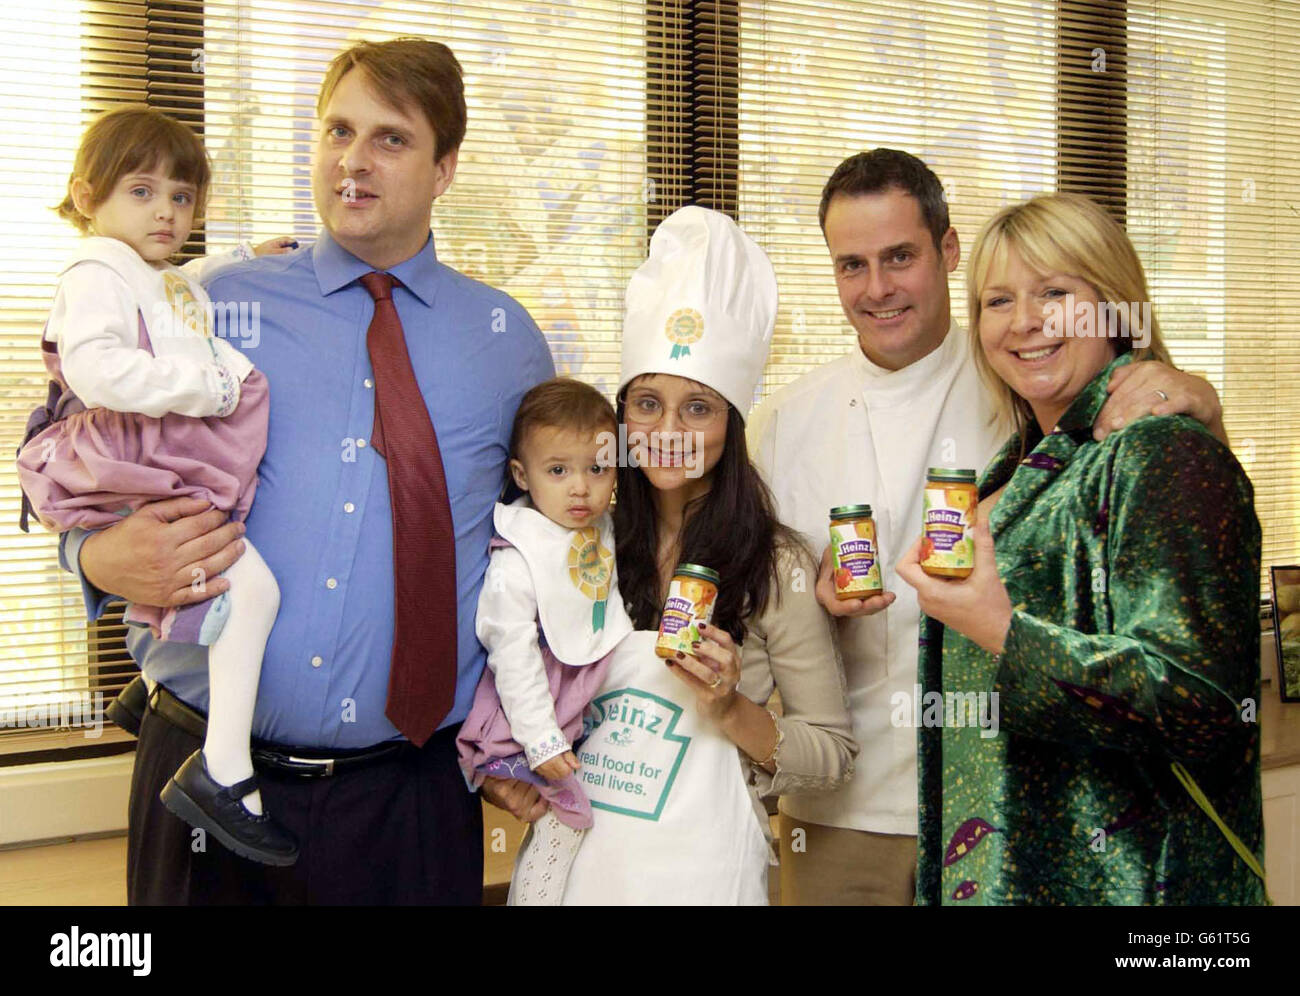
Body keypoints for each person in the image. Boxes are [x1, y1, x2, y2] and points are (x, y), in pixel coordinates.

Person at [59, 38, 555, 904]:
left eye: (390, 138)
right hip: (201, 778)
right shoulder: (213, 301)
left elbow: (551, 541)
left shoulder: (507, 344)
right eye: (337, 130)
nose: (352, 161)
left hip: (410, 798)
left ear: (445, 168)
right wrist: (96, 561)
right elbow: (73, 454)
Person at [747, 149, 1230, 905]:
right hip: (842, 806)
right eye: (852, 265)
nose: (877, 289)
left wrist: (1196, 397)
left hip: (1016, 795)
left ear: (947, 250)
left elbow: (1166, 548)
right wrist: (810, 602)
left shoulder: (1028, 381)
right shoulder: (781, 423)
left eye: (900, 256)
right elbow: (744, 604)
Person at [895, 191, 1265, 905]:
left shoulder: (1163, 451)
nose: (1024, 322)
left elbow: (1205, 708)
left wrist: (1002, 630)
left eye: (1055, 293)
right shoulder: (1015, 471)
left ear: (1116, 307)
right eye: (998, 300)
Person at [520, 205, 855, 904]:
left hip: (698, 874)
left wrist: (733, 709)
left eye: (697, 408)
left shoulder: (776, 564)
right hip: (579, 867)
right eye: (646, 403)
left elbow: (831, 755)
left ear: (732, 423)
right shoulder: (584, 543)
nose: (667, 431)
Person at [16, 105, 300, 865]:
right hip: (120, 457)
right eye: (141, 193)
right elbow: (93, 365)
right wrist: (200, 386)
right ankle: (224, 772)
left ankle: (151, 683)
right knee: (253, 590)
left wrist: (246, 252)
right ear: (87, 196)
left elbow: (177, 290)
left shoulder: (144, 271)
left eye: (181, 197)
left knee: (209, 566)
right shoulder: (95, 272)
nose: (166, 212)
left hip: (142, 455)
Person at [457, 377, 634, 905]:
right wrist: (540, 739)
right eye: (557, 471)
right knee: (563, 825)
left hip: (583, 706)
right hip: (533, 714)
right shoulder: (518, 555)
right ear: (521, 475)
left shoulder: (601, 528)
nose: (579, 488)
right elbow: (509, 653)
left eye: (597, 469)